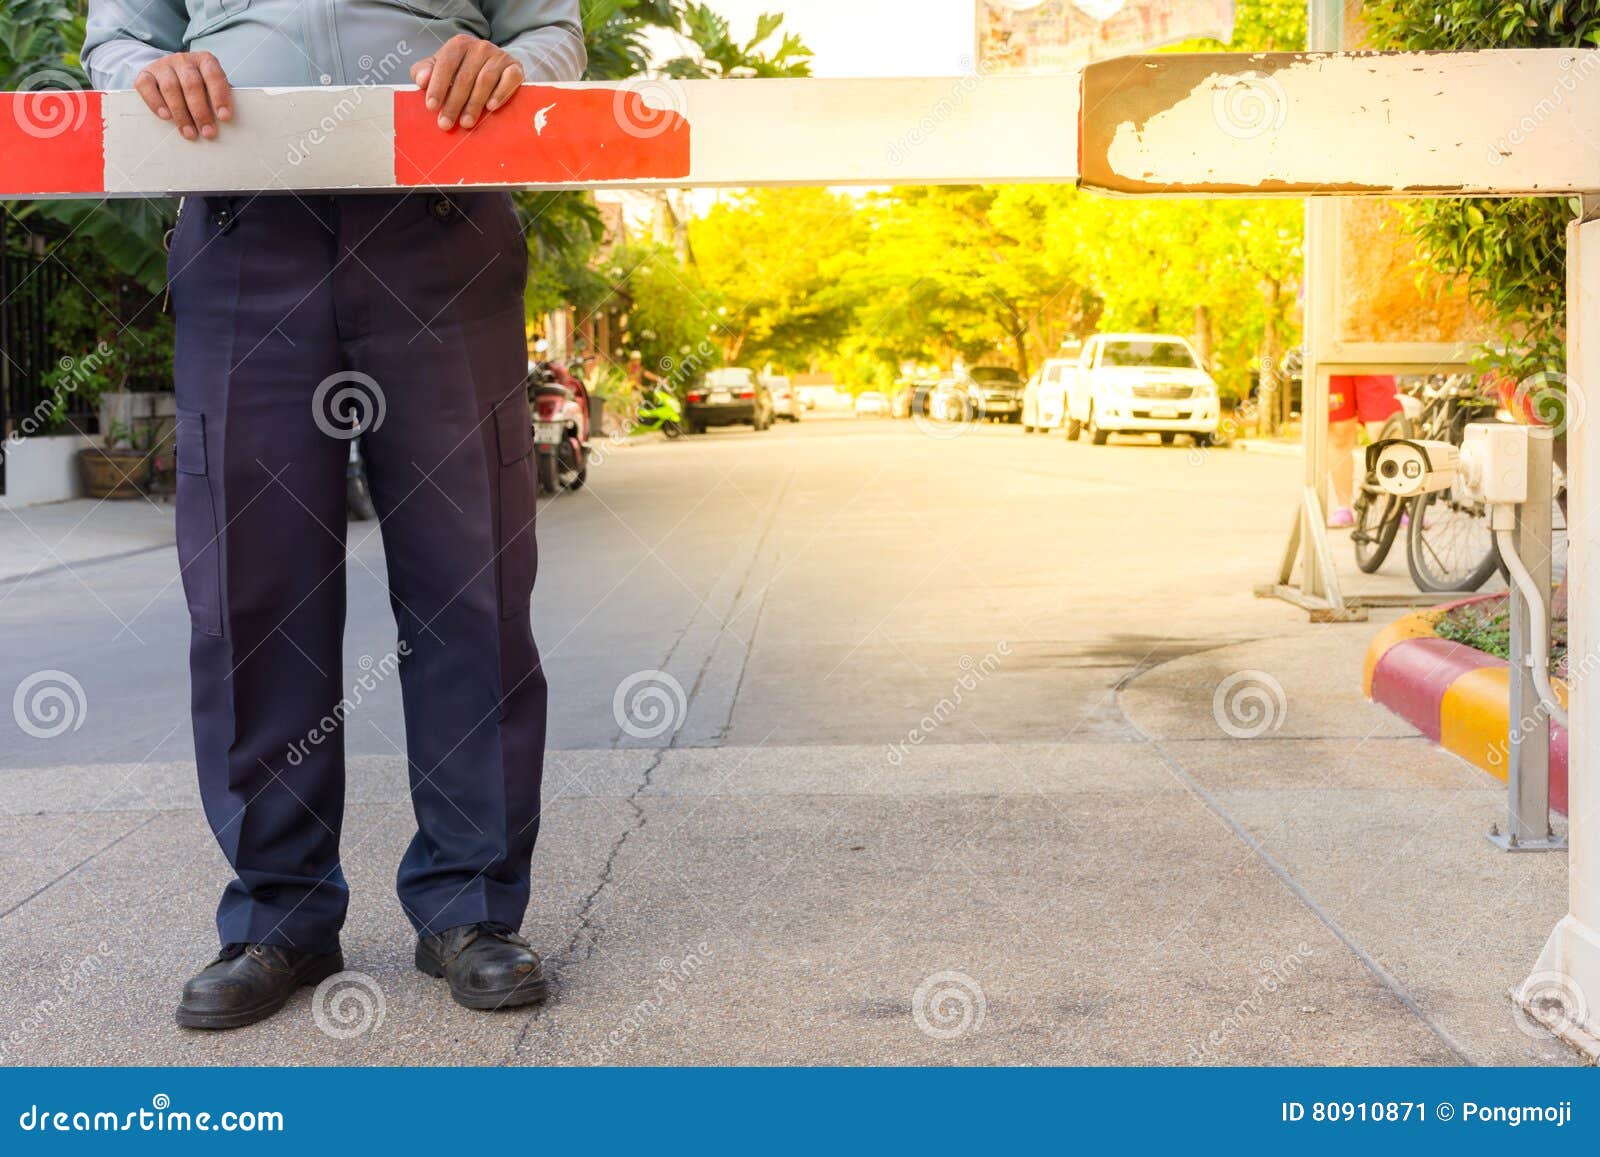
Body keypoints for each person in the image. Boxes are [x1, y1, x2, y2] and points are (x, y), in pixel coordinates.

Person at [82, 0, 586, 1029]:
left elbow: (553, 32)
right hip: (241, 225)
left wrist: (507, 59)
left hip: (439, 219)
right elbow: (116, 37)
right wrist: (146, 71)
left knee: (471, 582)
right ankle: (280, 914)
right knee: (250, 588)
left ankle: (472, 906)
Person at [1326, 373, 1401, 528]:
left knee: (1383, 429)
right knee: (1339, 432)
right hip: (1335, 355)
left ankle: (1395, 506)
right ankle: (1343, 508)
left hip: (1374, 353)